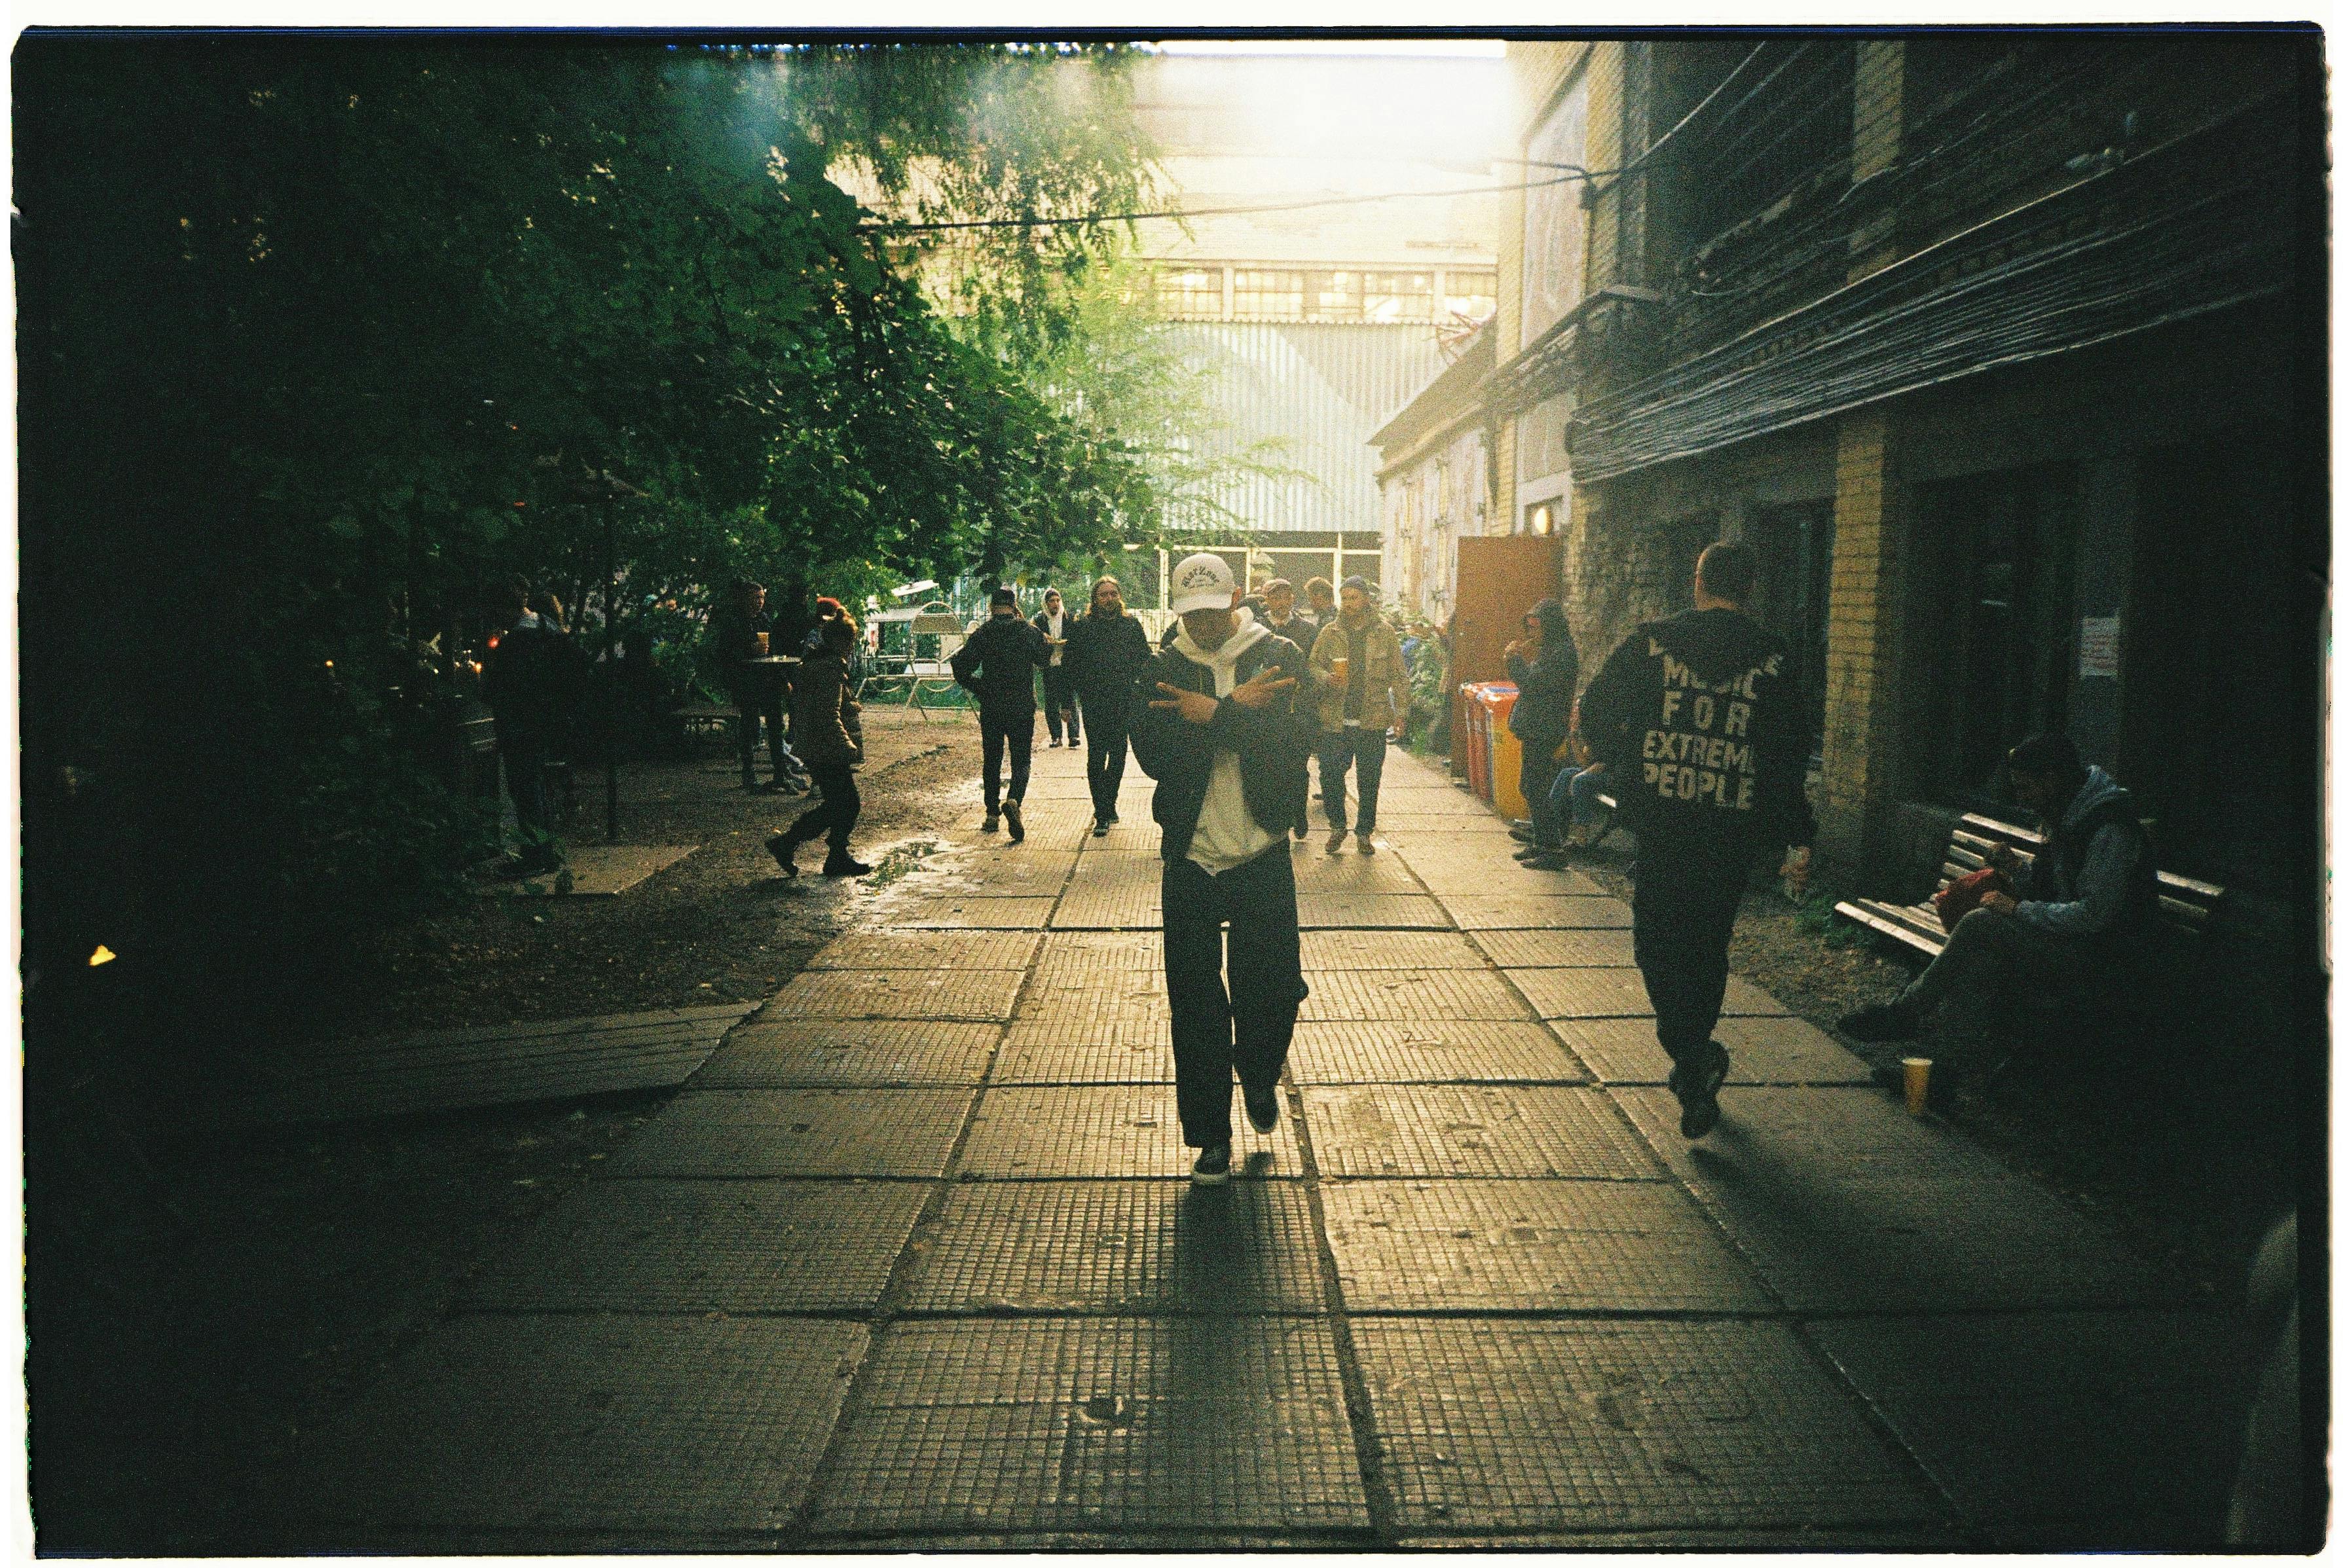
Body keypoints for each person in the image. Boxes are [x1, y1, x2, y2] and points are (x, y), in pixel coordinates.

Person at [1578, 541, 1815, 1139]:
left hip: (1664, 823)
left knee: (1655, 941)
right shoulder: (1776, 658)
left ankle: (1690, 1056)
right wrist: (1797, 833)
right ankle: (1694, 1055)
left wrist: (1620, 758)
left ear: (1699, 581)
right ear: (1749, 588)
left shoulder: (1653, 640)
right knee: (1708, 945)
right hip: (1730, 832)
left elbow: (1598, 705)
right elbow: (1789, 751)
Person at [1837, 733, 2160, 1098]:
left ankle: (1907, 1012)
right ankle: (1943, 1076)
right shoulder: (2068, 814)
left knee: (1981, 924)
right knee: (1982, 961)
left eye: (2025, 787)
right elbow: (2052, 891)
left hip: (2105, 958)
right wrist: (2016, 870)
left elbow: (2093, 915)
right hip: (2073, 944)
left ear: (2051, 781)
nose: (2020, 798)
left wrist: (2018, 908)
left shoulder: (2108, 828)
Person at [1129, 551, 1312, 1186]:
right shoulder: (1161, 668)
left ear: (1236, 600)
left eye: (1213, 611)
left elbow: (1297, 744)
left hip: (1261, 849)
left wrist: (1214, 714)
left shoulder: (1278, 655)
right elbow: (1155, 756)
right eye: (1192, 614)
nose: (1204, 625)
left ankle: (1258, 1074)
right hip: (1192, 857)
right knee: (1196, 1005)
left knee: (1274, 988)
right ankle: (1209, 1134)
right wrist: (1240, 715)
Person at [483, 576, 589, 875]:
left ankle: (535, 854)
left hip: (521, 724)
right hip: (548, 720)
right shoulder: (547, 627)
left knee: (525, 789)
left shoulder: (514, 642)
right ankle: (545, 850)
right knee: (538, 787)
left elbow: (498, 689)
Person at [1308, 577, 1408, 856]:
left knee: (1369, 779)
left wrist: (1401, 712)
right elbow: (1312, 664)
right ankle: (1337, 826)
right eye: (1346, 598)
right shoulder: (1330, 632)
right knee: (1330, 776)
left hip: (1372, 719)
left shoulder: (1384, 632)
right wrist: (1327, 678)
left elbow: (1399, 676)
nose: (1349, 603)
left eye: (1354, 597)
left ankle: (1364, 832)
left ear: (1366, 600)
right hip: (1334, 720)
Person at [766, 611, 870, 879]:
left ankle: (804, 847)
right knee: (847, 803)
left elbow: (812, 705)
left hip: (813, 743)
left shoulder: (813, 663)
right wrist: (847, 746)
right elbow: (828, 713)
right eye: (851, 641)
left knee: (838, 803)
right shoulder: (832, 666)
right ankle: (805, 848)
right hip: (826, 745)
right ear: (843, 642)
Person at [950, 586, 1048, 841]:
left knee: (992, 759)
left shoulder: (984, 634)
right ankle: (1014, 800)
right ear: (1014, 606)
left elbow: (960, 667)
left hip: (992, 706)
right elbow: (1045, 660)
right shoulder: (1028, 632)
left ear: (992, 607)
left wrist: (980, 687)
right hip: (1022, 705)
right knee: (1021, 761)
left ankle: (992, 814)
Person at [1063, 575, 1153, 836]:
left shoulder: (1131, 626)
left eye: (1113, 594)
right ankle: (1101, 810)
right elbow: (1070, 666)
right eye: (1104, 594)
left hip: (1124, 700)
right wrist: (1068, 701)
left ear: (1119, 597)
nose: (1109, 599)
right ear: (1095, 599)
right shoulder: (1083, 627)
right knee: (1096, 753)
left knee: (1118, 753)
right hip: (1094, 701)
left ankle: (1108, 802)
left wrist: (1144, 693)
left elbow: (1144, 661)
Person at [710, 579, 802, 795]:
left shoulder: (765, 621)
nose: (759, 602)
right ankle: (748, 774)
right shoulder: (733, 623)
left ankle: (780, 774)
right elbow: (726, 654)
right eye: (755, 598)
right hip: (746, 682)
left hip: (767, 680)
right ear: (743, 599)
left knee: (776, 725)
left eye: (762, 598)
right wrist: (748, 650)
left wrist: (782, 680)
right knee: (749, 726)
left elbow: (775, 651)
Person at [1507, 597, 1579, 864]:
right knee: (1531, 785)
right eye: (1531, 629)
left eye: (1537, 629)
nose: (1532, 635)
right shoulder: (1551, 650)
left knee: (1534, 786)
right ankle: (1542, 841)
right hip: (1538, 726)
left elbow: (1532, 686)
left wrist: (1514, 662)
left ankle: (1552, 848)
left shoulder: (1560, 653)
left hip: (1545, 728)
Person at [1255, 578, 1321, 838]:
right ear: (1267, 601)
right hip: (1266, 708)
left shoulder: (1306, 630)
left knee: (1297, 764)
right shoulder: (1257, 630)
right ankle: (1275, 814)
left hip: (1297, 708)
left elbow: (1314, 667)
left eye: (1285, 597)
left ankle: (1298, 812)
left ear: (1293, 598)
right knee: (1269, 764)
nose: (1281, 602)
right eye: (1275, 597)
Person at [1036, 587, 1082, 748]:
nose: (1055, 604)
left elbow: (1077, 637)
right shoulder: (1040, 620)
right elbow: (1035, 638)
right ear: (1046, 604)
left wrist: (1067, 642)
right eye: (1052, 601)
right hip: (1049, 665)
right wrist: (1044, 639)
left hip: (1066, 664)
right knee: (1051, 701)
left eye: (1057, 600)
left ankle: (1074, 735)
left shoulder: (1068, 617)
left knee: (1069, 699)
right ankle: (1056, 736)